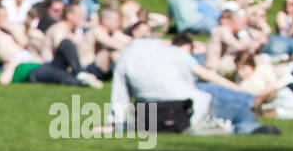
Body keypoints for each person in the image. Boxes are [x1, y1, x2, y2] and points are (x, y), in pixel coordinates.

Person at [110, 33, 275, 135]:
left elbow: (119, 97)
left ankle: (253, 102)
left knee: (207, 91)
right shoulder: (171, 52)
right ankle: (250, 121)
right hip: (186, 107)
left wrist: (117, 124)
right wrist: (238, 89)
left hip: (152, 114)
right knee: (224, 101)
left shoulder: (126, 59)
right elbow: (200, 78)